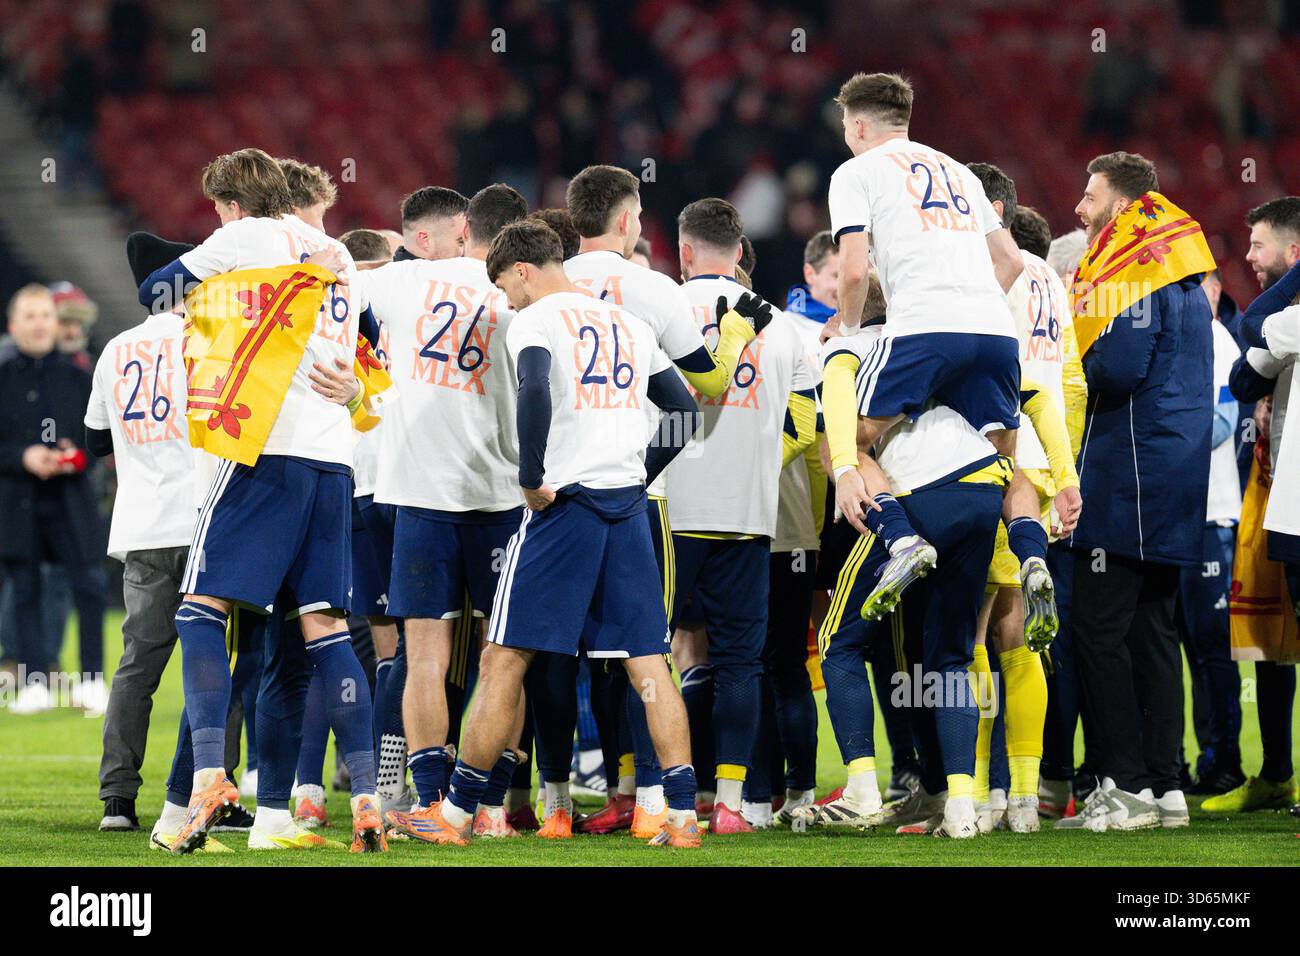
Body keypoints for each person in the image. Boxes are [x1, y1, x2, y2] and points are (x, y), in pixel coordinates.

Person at [386, 219, 704, 848]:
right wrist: (640, 475)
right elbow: (686, 410)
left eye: (506, 286)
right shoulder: (629, 324)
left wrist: (532, 475)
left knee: (503, 657)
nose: (506, 301)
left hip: (566, 508)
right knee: (649, 664)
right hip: (627, 508)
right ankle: (684, 815)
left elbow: (535, 389)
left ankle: (452, 815)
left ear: (524, 270)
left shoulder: (537, 321)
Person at [134, 147, 387, 854]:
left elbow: (154, 290)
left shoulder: (245, 237)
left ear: (233, 206)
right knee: (325, 630)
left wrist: (210, 280)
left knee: (199, 610)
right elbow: (370, 344)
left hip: (262, 451)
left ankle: (213, 773)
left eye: (219, 210)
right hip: (333, 463)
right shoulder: (337, 252)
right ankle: (366, 795)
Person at [825, 72, 1031, 621]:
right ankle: (1026, 553)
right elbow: (1011, 263)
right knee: (1001, 457)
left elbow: (850, 271)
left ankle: (901, 540)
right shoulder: (960, 170)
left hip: (923, 328)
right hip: (993, 331)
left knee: (849, 443)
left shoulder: (855, 171)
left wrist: (848, 333)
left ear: (859, 123)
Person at [368, 184, 530, 840]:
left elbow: (325, 285)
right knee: (506, 655)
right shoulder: (515, 294)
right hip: (503, 495)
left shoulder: (403, 283)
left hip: (420, 495)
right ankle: (488, 807)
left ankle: (432, 801)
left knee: (424, 653)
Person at [1061, 151, 1215, 832]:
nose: (1079, 209)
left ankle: (1123, 787)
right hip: (1172, 473)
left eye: (1090, 198)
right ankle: (1165, 788)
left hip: (1132, 474)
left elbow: (1119, 369)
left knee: (1097, 630)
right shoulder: (1179, 268)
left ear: (1120, 207)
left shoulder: (1136, 274)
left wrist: (1069, 357)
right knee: (1154, 629)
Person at [664, 198, 818, 832]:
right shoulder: (785, 326)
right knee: (741, 665)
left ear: (684, 251)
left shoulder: (662, 311)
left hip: (671, 507)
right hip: (749, 518)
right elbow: (806, 426)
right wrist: (758, 459)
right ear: (739, 251)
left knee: (648, 653)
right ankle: (732, 806)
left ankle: (660, 799)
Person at [88, 234, 199, 832]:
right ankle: (210, 790)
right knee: (218, 663)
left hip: (143, 527)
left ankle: (117, 800)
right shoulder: (209, 339)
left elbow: (95, 439)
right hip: (206, 523)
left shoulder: (114, 350)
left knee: (137, 667)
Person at [1207, 196, 1300, 815]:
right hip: (1280, 498)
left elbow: (1251, 331)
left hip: (1292, 500)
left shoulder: (1291, 318)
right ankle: (1275, 772)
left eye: (1260, 245)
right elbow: (1245, 376)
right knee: (1273, 638)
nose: (1248, 258)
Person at [0, 284, 106, 716]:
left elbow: (99, 438)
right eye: (31, 315)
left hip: (70, 497)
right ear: (14, 325)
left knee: (90, 588)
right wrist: (24, 455)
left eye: (46, 314)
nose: (40, 323)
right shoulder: (3, 375)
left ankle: (92, 680)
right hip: (18, 498)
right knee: (24, 588)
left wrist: (75, 455)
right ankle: (34, 680)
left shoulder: (80, 374)